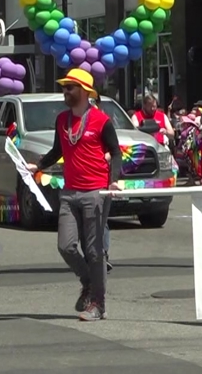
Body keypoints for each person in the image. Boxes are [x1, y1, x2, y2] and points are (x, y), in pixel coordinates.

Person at [26, 69, 122, 322]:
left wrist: (113, 181)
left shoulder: (101, 121)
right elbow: (58, 149)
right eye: (65, 87)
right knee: (65, 245)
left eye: (70, 87)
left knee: (94, 250)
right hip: (70, 191)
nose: (65, 91)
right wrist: (39, 165)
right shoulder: (62, 120)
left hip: (96, 192)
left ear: (84, 91)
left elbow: (116, 152)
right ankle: (89, 281)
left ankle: (98, 305)